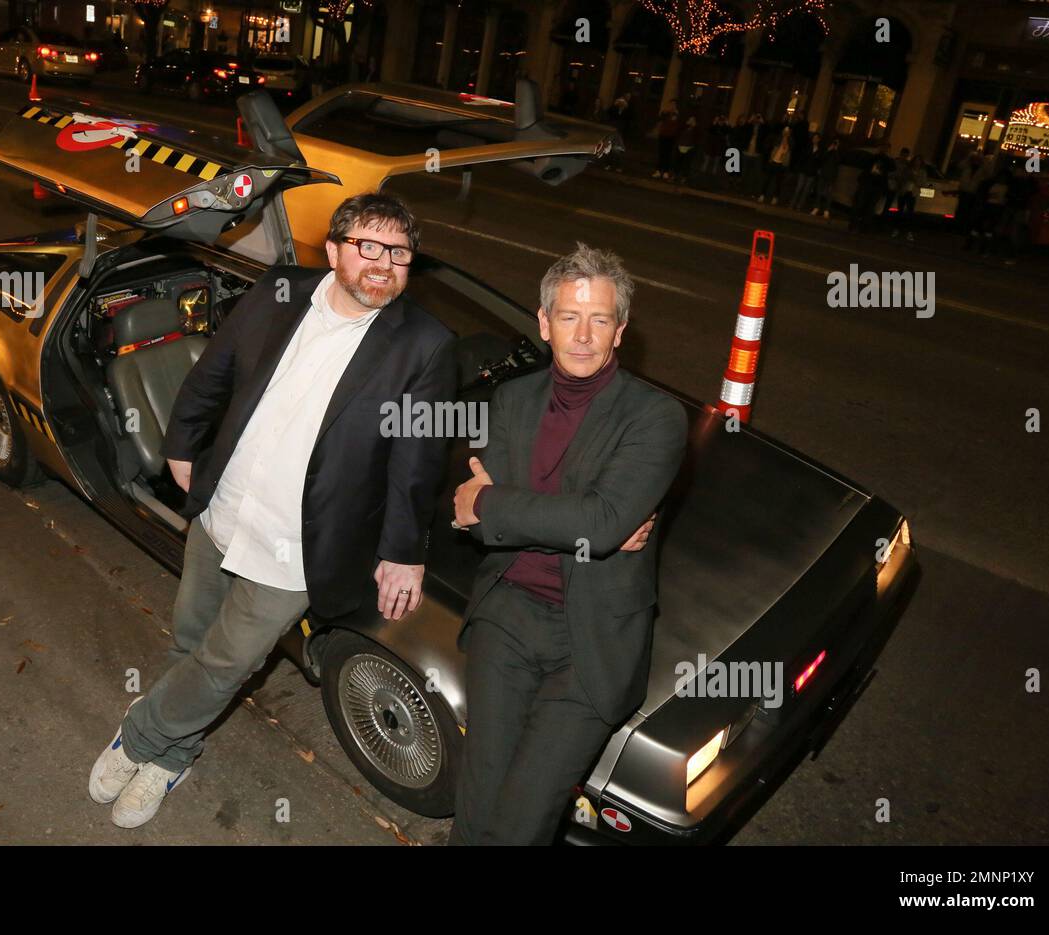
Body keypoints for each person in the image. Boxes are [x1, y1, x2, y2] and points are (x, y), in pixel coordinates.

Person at [88, 193, 458, 829]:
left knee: (229, 661)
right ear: (336, 249)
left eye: (399, 254)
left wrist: (403, 550)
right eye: (369, 247)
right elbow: (216, 370)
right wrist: (182, 444)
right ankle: (174, 751)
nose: (384, 265)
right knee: (192, 638)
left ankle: (141, 735)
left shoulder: (423, 345)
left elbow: (416, 462)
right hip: (223, 507)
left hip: (298, 546)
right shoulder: (281, 291)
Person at [448, 244, 688, 845]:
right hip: (505, 614)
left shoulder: (655, 417)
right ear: (544, 322)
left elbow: (599, 524)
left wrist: (494, 503)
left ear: (621, 331)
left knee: (523, 821)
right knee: (477, 802)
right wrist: (578, 520)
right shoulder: (512, 399)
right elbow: (480, 525)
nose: (583, 335)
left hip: (591, 640)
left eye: (600, 319)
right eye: (570, 316)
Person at [849, 143, 894, 233]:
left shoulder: (887, 160)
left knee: (871, 206)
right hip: (867, 183)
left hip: (877, 186)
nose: (884, 150)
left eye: (886, 149)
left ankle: (864, 225)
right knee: (860, 204)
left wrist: (888, 157)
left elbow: (892, 168)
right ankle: (854, 224)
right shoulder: (873, 157)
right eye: (883, 148)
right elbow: (864, 164)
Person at [890, 153, 922, 241]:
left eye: (919, 161)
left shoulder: (922, 172)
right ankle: (896, 229)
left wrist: (915, 179)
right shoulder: (907, 169)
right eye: (916, 161)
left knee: (910, 213)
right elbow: (901, 179)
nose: (917, 163)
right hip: (904, 192)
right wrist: (907, 178)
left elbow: (922, 183)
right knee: (900, 211)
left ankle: (909, 232)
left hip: (913, 193)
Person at [789, 131, 822, 212]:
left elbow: (820, 161)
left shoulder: (820, 150)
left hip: (811, 173)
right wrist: (799, 168)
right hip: (803, 171)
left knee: (805, 191)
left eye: (817, 138)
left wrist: (817, 170)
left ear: (819, 140)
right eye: (814, 138)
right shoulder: (807, 147)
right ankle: (792, 204)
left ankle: (799, 206)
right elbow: (802, 158)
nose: (815, 139)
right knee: (798, 188)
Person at [759, 125, 793, 204]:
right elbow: (773, 145)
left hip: (782, 164)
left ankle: (775, 197)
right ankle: (762, 195)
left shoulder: (791, 140)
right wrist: (783, 138)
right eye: (784, 131)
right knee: (767, 179)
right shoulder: (778, 138)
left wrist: (786, 138)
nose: (785, 133)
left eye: (787, 131)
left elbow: (789, 148)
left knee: (778, 182)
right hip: (773, 161)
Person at [811, 136, 840, 219]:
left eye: (836, 143)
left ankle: (826, 210)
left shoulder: (837, 153)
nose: (834, 144)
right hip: (823, 174)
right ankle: (816, 208)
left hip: (831, 177)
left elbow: (838, 162)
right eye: (834, 142)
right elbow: (821, 159)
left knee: (829, 194)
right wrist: (828, 150)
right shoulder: (827, 150)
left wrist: (836, 150)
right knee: (819, 192)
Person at [653, 99, 680, 180]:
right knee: (661, 153)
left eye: (674, 105)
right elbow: (660, 119)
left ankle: (665, 171)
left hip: (671, 137)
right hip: (663, 135)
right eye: (671, 104)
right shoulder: (665, 113)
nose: (672, 106)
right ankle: (658, 170)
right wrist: (665, 112)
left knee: (668, 154)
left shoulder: (676, 114)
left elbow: (675, 124)